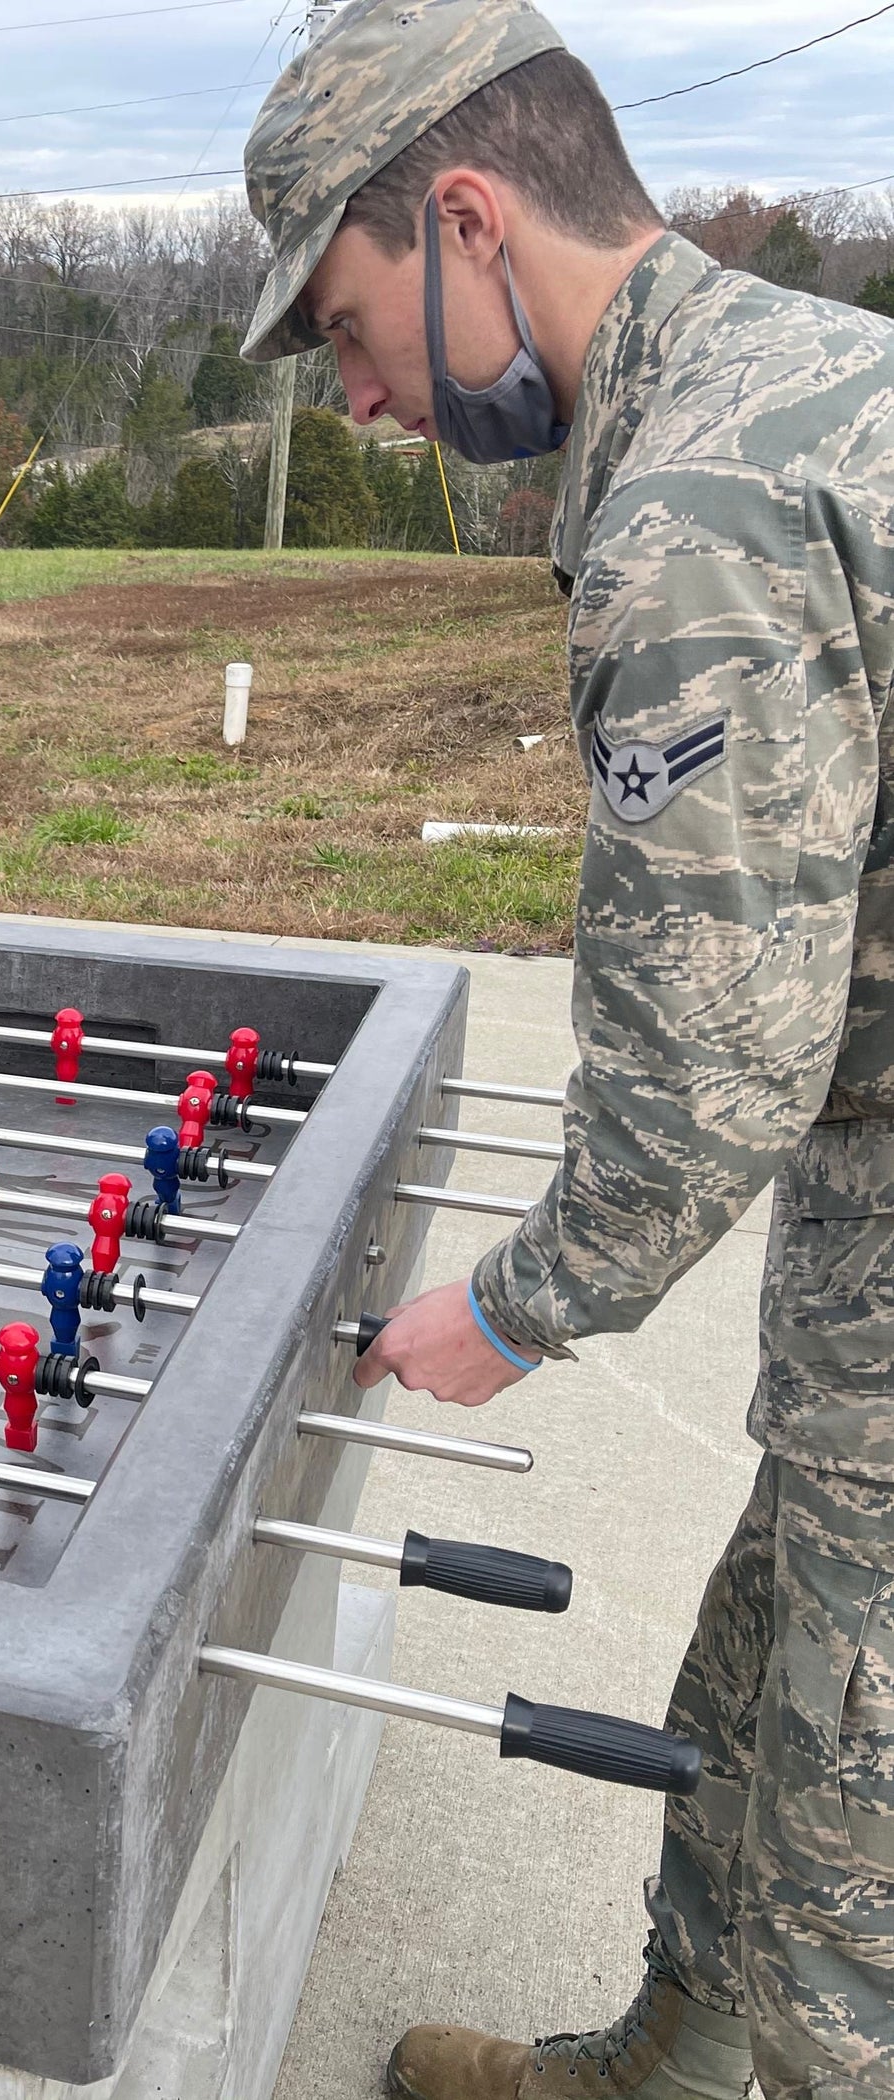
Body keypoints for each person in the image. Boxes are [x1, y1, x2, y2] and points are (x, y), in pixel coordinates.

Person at [240, 3, 894, 2095]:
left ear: (467, 217)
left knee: (857, 1796)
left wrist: (515, 1309)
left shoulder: (693, 503)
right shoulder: (809, 374)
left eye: (349, 326)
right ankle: (673, 2061)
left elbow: (713, 1067)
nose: (359, 396)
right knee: (787, 1652)